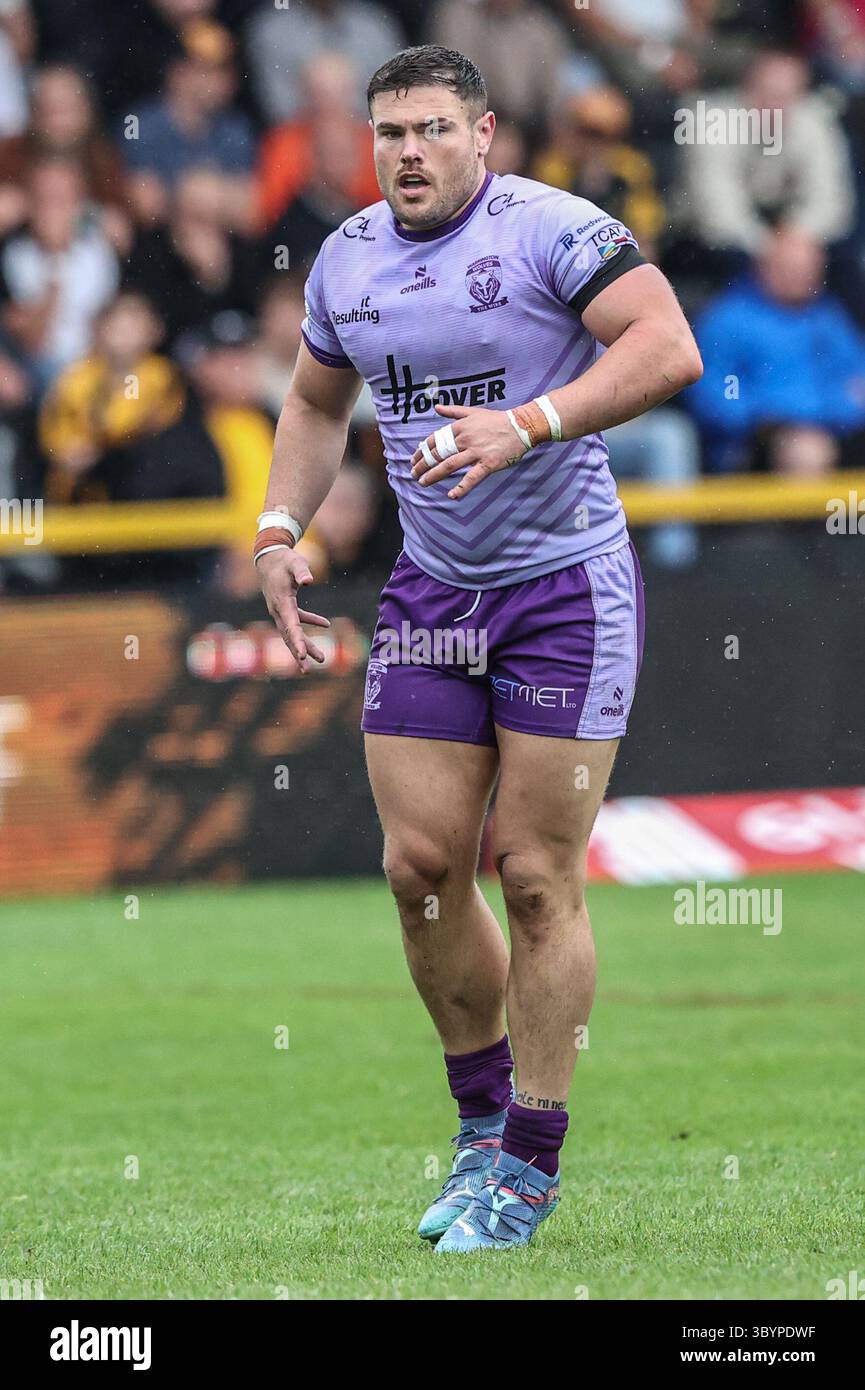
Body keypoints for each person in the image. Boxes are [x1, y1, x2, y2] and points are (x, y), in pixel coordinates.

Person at [255, 45, 702, 1252]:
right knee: (417, 867)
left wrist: (528, 422)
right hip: (433, 591)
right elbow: (311, 403)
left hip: (564, 586)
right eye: (389, 130)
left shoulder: (556, 230)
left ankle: (531, 1162)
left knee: (537, 873)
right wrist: (277, 532)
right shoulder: (346, 259)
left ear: (484, 133)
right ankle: (477, 1125)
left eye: (433, 129)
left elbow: (667, 348)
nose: (409, 150)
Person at [687, 227, 865, 473]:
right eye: (790, 269)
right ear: (764, 267)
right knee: (804, 452)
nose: (801, 277)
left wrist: (824, 417)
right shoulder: (728, 319)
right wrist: (766, 419)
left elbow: (856, 381)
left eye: (808, 269)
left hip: (832, 433)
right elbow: (720, 389)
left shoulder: (829, 318)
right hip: (752, 445)